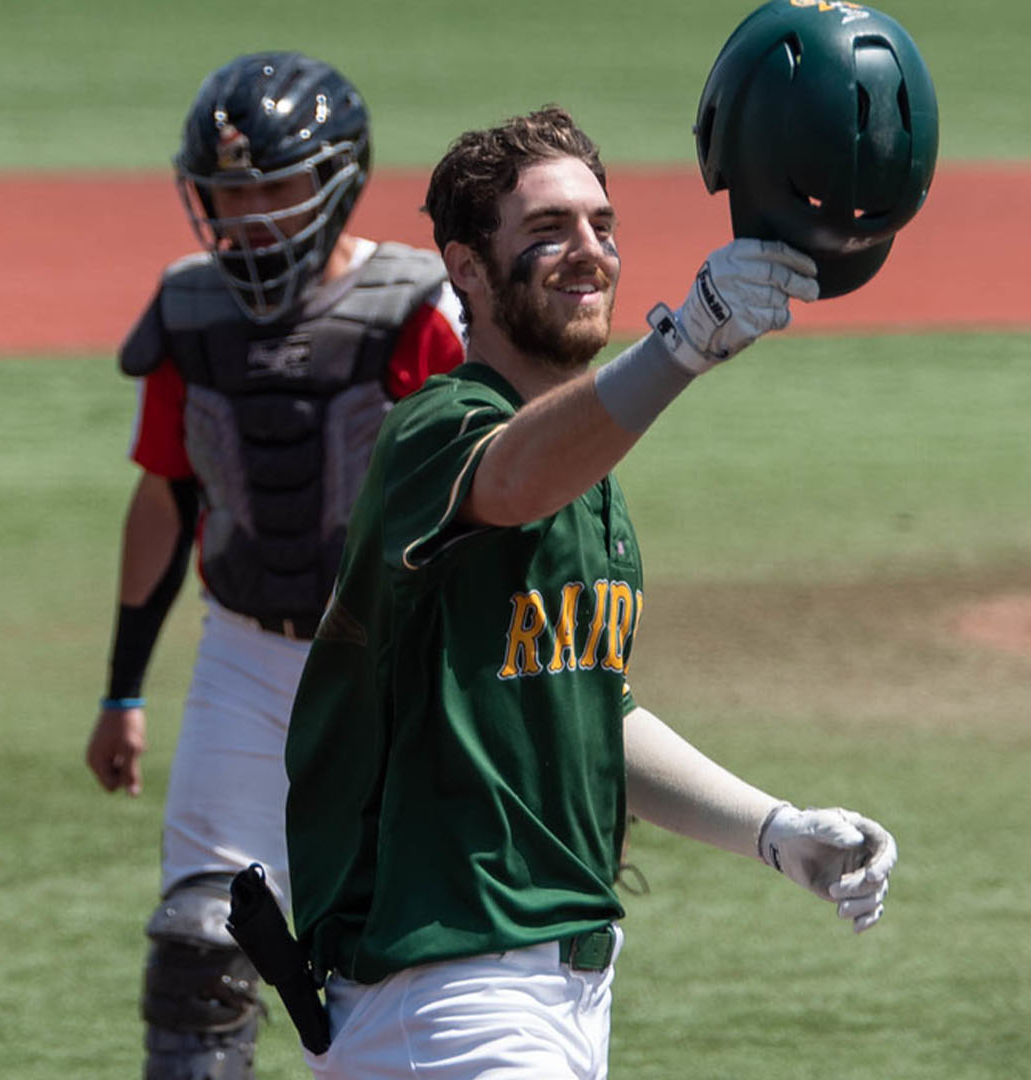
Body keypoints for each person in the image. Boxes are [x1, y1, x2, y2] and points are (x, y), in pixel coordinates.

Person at [283, 105, 896, 1080]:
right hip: (451, 986)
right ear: (468, 270)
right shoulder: (438, 430)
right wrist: (685, 342)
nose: (589, 252)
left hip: (559, 994)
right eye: (548, 231)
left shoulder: (590, 474)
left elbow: (590, 708)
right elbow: (511, 477)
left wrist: (772, 832)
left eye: (602, 225)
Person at [82, 51, 466, 1079]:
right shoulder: (190, 314)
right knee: (201, 944)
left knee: (395, 949)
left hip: (395, 663)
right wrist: (123, 687)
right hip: (244, 659)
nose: (246, 215)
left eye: (273, 187)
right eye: (227, 192)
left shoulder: (418, 308)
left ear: (339, 179)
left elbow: (494, 488)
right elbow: (165, 494)